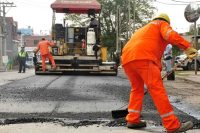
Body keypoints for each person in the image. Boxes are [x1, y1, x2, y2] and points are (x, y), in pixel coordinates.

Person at [121, 13, 197, 133]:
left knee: (137, 89)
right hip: (144, 58)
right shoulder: (161, 24)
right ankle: (172, 125)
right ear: (166, 21)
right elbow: (170, 34)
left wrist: (157, 70)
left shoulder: (144, 29)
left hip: (127, 59)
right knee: (157, 90)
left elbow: (152, 51)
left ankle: (133, 119)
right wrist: (187, 46)